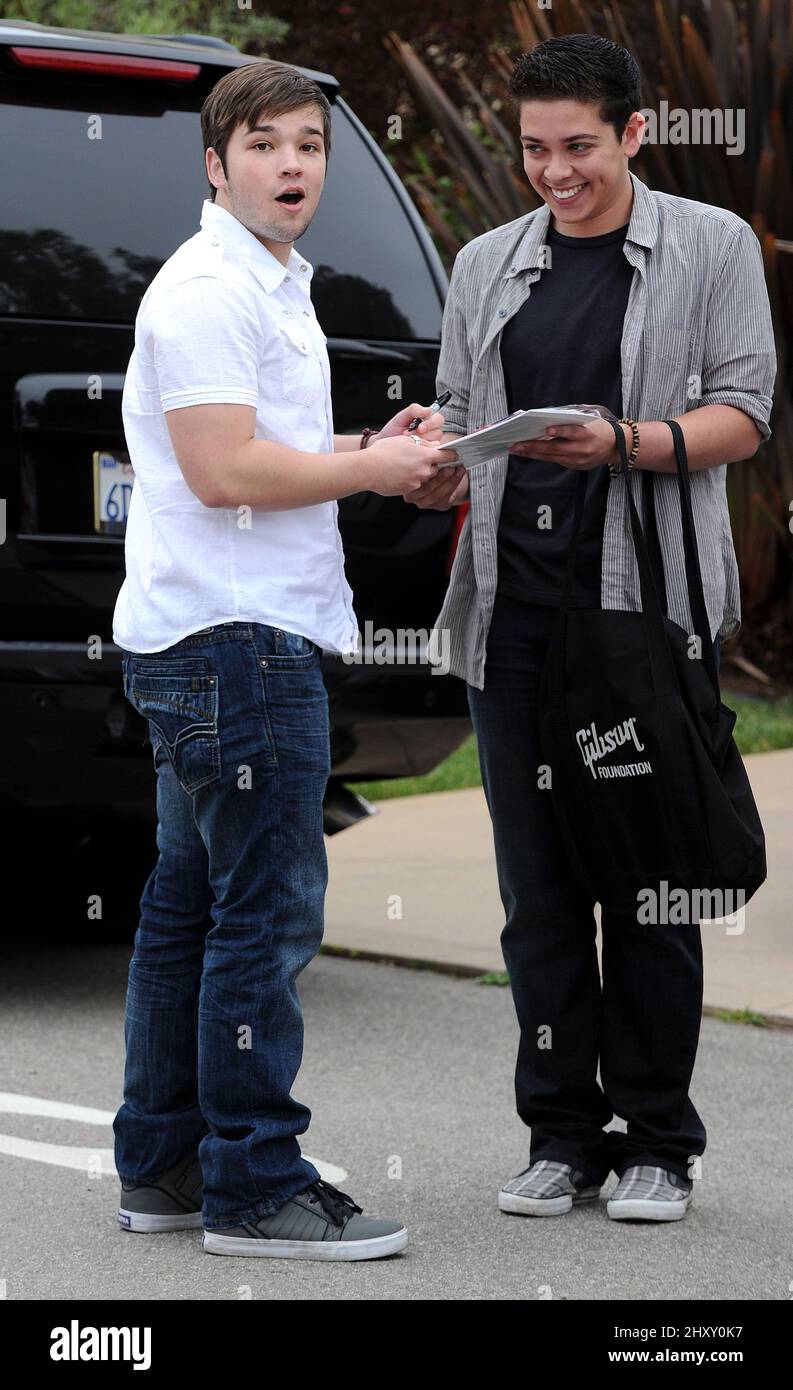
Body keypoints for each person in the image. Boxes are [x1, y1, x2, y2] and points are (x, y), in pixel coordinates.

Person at [408, 34, 776, 1222]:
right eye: (532, 149)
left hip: (642, 617)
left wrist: (622, 441)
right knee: (541, 893)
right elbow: (466, 416)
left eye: (577, 147)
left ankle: (660, 1141)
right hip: (514, 620)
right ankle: (560, 1133)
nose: (553, 172)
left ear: (631, 133)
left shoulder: (710, 247)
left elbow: (743, 413)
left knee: (650, 882)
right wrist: (430, 454)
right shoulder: (484, 263)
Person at [112, 58, 451, 1259]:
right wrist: (371, 470)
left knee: (188, 906)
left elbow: (265, 452)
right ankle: (255, 1186)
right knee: (263, 915)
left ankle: (162, 1164)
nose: (293, 163)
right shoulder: (209, 287)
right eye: (264, 144)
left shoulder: (269, 282)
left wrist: (375, 445)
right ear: (217, 164)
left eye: (308, 143)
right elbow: (221, 470)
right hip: (238, 645)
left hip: (214, 631)